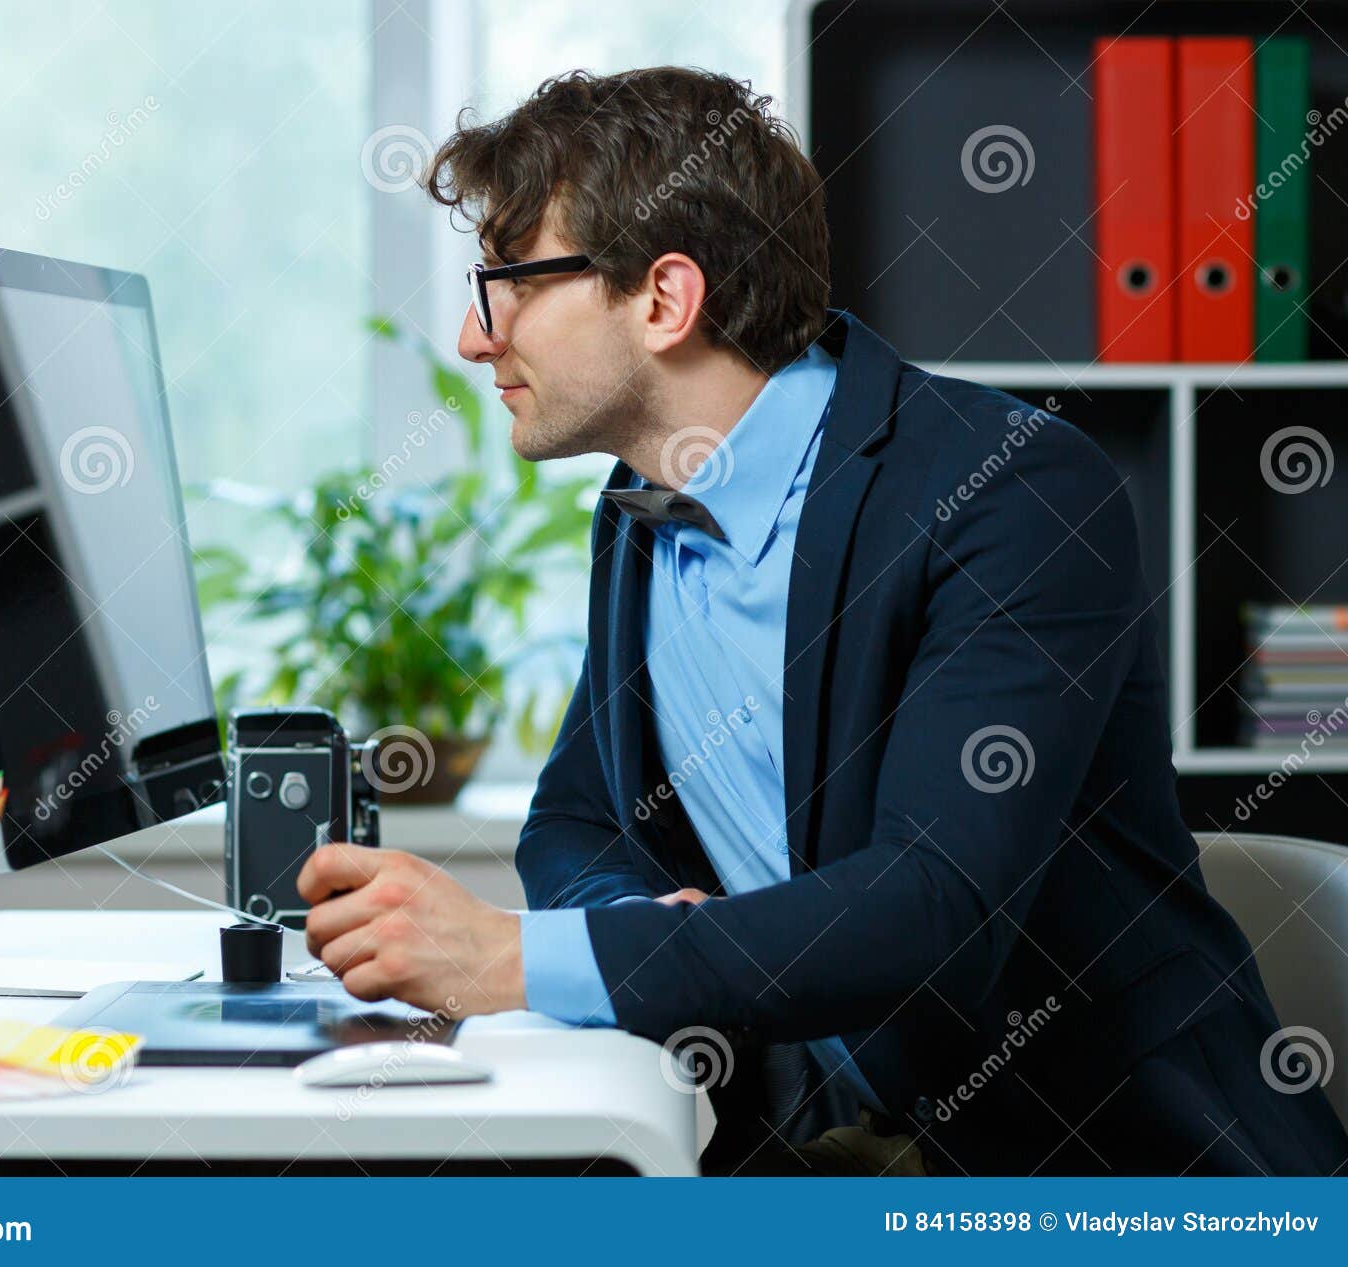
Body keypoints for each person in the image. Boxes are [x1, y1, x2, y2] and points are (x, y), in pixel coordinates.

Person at [297, 66, 1348, 1176]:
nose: (473, 336)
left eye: (507, 281)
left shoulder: (1010, 492)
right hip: (831, 1136)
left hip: (1102, 1172)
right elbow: (577, 816)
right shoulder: (644, 501)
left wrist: (518, 955)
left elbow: (930, 907)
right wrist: (639, 917)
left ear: (663, 299)